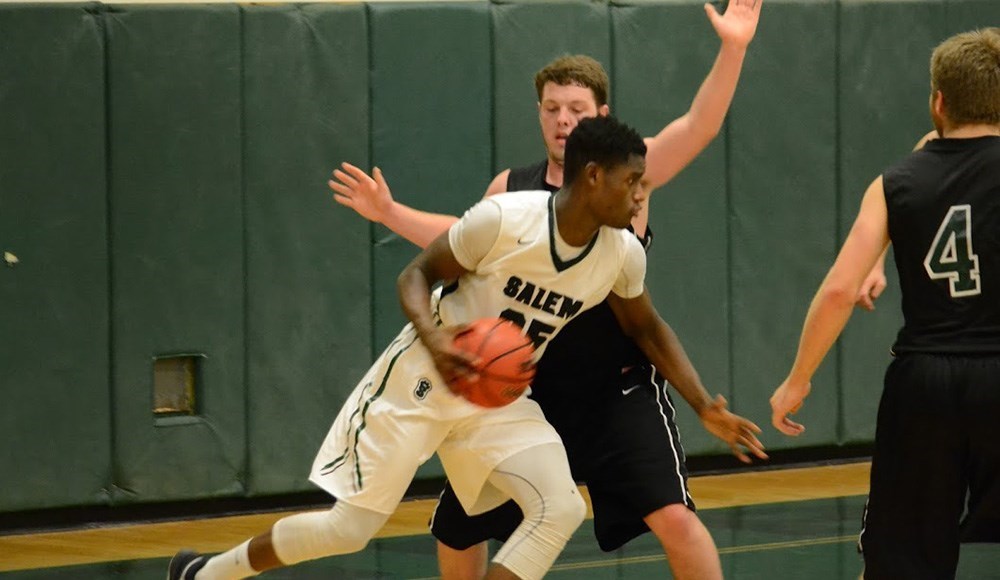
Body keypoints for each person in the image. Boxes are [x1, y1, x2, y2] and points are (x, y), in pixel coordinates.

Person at [168, 116, 765, 580]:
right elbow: (415, 276)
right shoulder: (503, 221)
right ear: (592, 177)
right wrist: (438, 342)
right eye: (632, 181)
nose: (640, 195)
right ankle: (208, 574)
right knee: (349, 529)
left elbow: (647, 328)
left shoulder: (621, 254)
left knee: (559, 507)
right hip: (424, 376)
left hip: (496, 398)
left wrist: (702, 404)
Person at [330, 2, 766, 579]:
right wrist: (390, 213)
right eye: (552, 108)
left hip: (616, 388)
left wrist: (733, 47)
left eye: (576, 110)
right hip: (525, 384)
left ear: (601, 114)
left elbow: (699, 125)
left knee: (676, 518)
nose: (563, 120)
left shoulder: (629, 174)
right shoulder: (512, 189)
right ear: (539, 114)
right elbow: (460, 239)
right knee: (459, 525)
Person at [769, 28, 1000, 580]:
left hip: (923, 385)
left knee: (901, 562)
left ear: (938, 101)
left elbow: (838, 290)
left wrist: (798, 379)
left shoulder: (893, 183)